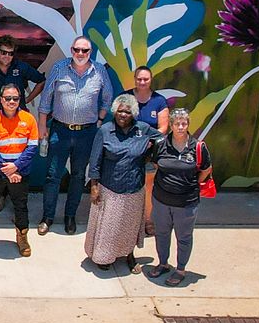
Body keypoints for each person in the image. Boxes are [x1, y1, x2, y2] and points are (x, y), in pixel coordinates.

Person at [35, 36, 116, 236]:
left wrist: (99, 120)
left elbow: (107, 98)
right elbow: (46, 99)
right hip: (60, 131)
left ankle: (70, 216)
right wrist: (42, 126)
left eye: (85, 51)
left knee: (79, 176)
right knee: (53, 175)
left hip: (86, 133)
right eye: (77, 50)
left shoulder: (99, 71)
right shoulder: (59, 68)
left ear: (90, 52)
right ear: (71, 50)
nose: (80, 54)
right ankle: (48, 217)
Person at [85, 95, 156, 272]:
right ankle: (104, 256)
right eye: (120, 111)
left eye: (127, 111)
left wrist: (150, 154)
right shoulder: (105, 131)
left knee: (130, 226)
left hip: (134, 187)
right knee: (109, 226)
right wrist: (94, 186)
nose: (123, 114)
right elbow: (95, 161)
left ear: (133, 113)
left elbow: (162, 139)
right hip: (110, 187)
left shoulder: (143, 129)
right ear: (114, 111)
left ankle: (129, 255)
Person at [146, 108, 211, 283]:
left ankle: (181, 270)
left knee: (184, 237)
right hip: (161, 200)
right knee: (161, 233)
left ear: (188, 125)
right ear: (172, 125)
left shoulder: (198, 147)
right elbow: (155, 165)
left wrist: (191, 184)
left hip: (186, 203)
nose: (181, 127)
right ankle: (163, 263)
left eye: (184, 123)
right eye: (177, 124)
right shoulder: (161, 144)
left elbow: (206, 170)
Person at [0, 83, 37, 256]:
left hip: (20, 173)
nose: (11, 101)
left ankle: (22, 238)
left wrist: (16, 167)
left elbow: (32, 148)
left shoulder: (29, 120)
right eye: (8, 98)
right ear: (1, 100)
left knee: (21, 206)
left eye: (15, 98)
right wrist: (9, 171)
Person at [130, 66, 172, 135]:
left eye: (146, 79)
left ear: (151, 79)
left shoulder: (160, 101)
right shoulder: (124, 97)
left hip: (151, 142)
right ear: (134, 79)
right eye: (139, 79)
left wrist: (150, 140)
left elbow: (163, 128)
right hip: (128, 142)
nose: (142, 82)